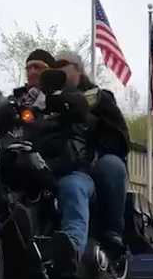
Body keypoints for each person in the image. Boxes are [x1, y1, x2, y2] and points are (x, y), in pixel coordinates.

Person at [54, 52, 131, 259]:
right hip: (54, 165)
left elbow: (120, 137)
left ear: (78, 69)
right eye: (54, 65)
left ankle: (112, 231)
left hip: (85, 166)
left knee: (110, 164)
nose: (57, 69)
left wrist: (94, 149)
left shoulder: (98, 98)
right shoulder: (47, 99)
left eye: (63, 64)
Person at [31, 60, 97, 279]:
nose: (34, 73)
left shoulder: (71, 97)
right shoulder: (25, 102)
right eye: (29, 68)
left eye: (39, 69)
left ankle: (70, 253)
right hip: (37, 171)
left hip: (72, 170)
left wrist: (55, 99)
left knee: (71, 188)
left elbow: (79, 106)